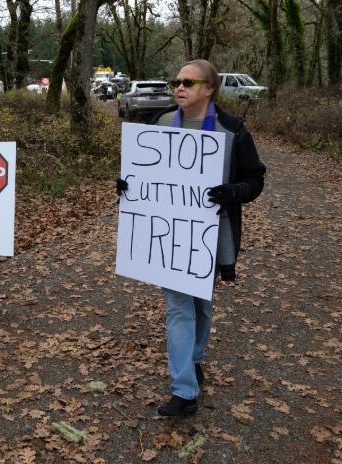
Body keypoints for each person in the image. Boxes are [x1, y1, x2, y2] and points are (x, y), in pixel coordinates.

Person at [117, 59, 266, 416]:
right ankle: (185, 391)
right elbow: (142, 174)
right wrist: (126, 186)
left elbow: (256, 179)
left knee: (202, 303)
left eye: (189, 82)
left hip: (212, 236)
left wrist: (233, 191)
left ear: (210, 89)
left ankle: (196, 358)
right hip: (170, 238)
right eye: (177, 82)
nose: (179, 88)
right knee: (178, 306)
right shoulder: (161, 122)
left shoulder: (232, 129)